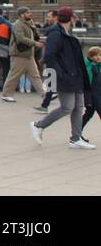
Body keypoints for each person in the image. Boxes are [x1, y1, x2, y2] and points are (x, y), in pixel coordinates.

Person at [29, 8, 94, 149]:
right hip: (66, 76)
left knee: (78, 107)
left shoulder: (63, 33)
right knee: (67, 107)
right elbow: (49, 56)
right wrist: (62, 73)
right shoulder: (56, 34)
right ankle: (38, 125)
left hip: (75, 76)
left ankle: (75, 139)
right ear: (71, 19)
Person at [2, 8, 44, 102]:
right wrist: (35, 43)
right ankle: (6, 94)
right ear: (21, 15)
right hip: (19, 54)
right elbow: (20, 38)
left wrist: (33, 28)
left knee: (35, 76)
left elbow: (34, 36)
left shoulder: (29, 24)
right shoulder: (18, 25)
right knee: (14, 75)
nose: (30, 14)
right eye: (27, 13)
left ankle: (44, 94)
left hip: (28, 54)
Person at [38, 10, 58, 111]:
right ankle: (45, 105)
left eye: (49, 16)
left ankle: (45, 105)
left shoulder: (53, 31)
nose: (47, 18)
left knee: (52, 83)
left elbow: (50, 48)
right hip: (54, 61)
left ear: (55, 17)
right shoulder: (55, 30)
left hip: (54, 61)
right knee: (51, 83)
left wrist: (44, 58)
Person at [81, 45, 101, 141]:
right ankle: (77, 134)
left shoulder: (98, 65)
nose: (98, 57)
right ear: (90, 56)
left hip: (98, 94)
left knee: (88, 114)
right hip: (92, 95)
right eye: (95, 55)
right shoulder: (89, 66)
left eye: (100, 55)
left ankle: (77, 133)